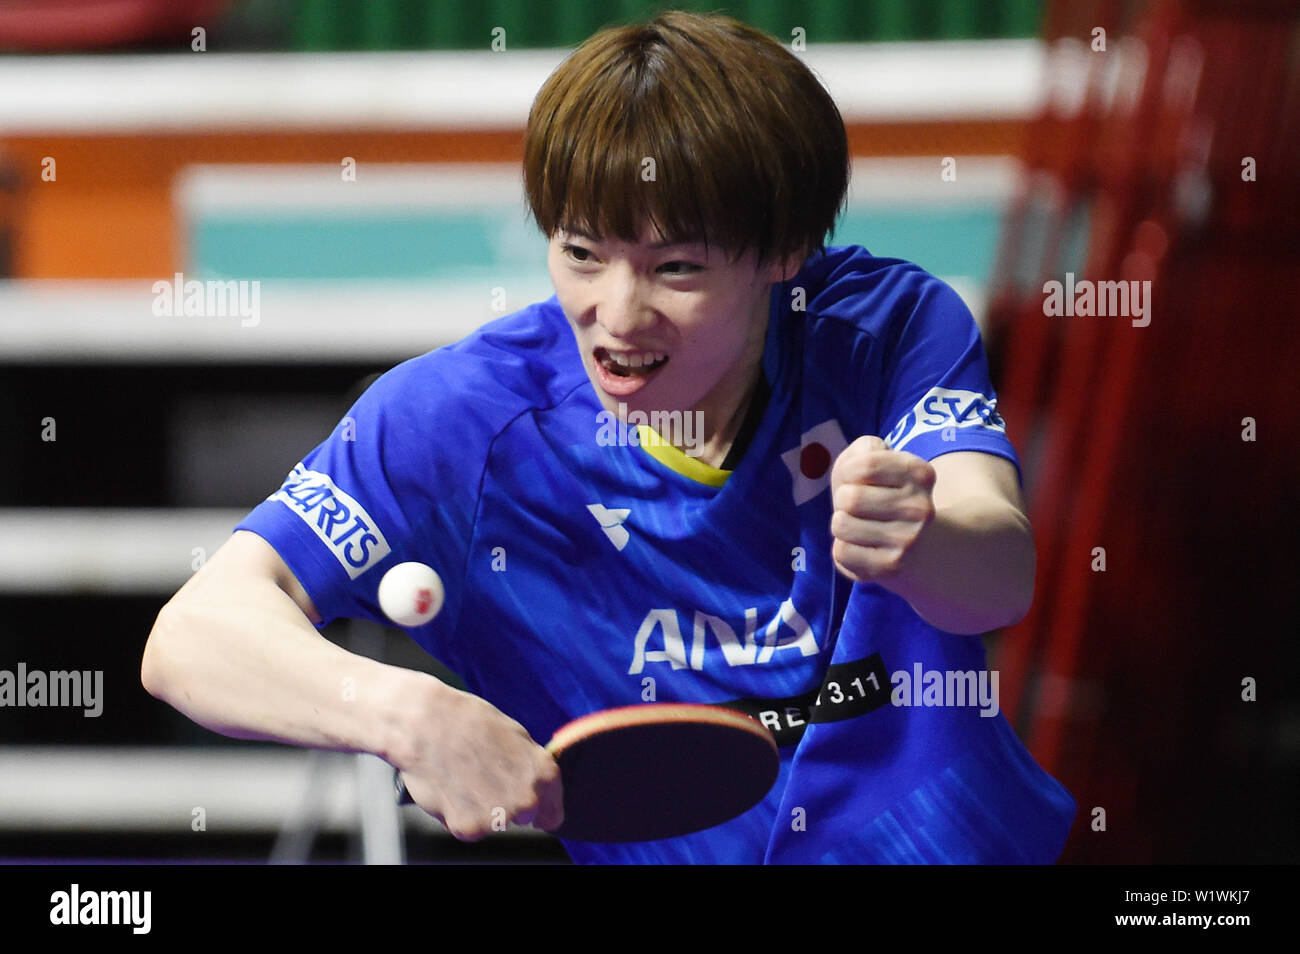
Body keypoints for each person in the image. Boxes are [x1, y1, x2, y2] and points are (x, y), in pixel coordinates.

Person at [141, 10, 1075, 864]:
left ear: (786, 252)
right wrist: (403, 713)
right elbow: (192, 636)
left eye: (676, 268)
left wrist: (928, 540)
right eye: (582, 252)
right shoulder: (464, 421)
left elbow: (994, 585)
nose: (617, 315)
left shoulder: (885, 331)